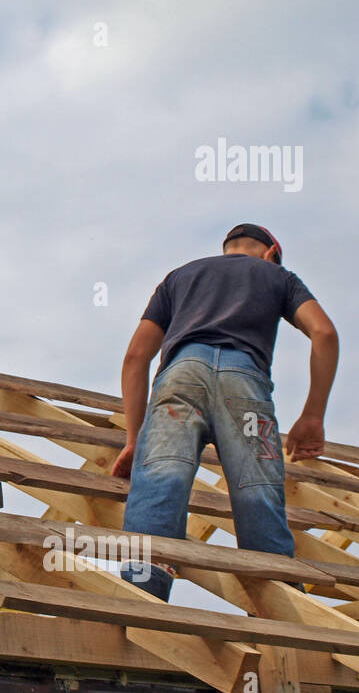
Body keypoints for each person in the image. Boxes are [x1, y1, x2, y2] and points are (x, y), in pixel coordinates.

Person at [110, 224, 339, 600]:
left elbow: (136, 357)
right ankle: (276, 598)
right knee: (257, 489)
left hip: (181, 379)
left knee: (160, 480)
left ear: (227, 249)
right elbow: (325, 333)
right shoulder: (278, 275)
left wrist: (136, 440)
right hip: (243, 385)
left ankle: (142, 594)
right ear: (270, 253)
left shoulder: (180, 277)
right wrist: (312, 416)